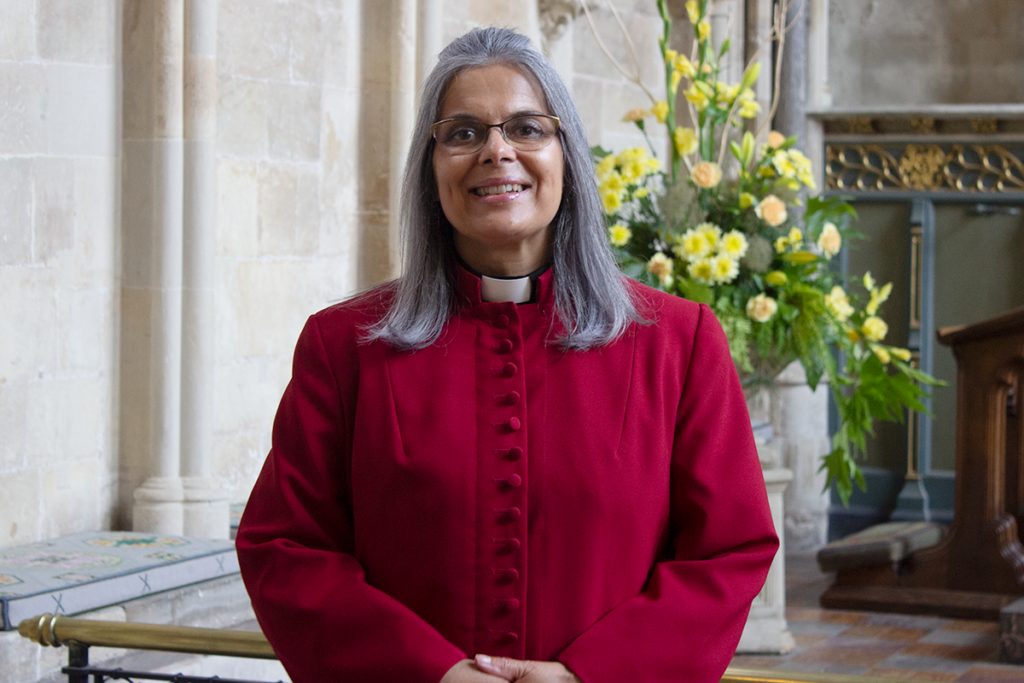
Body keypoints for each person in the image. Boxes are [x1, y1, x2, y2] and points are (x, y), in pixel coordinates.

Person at [236, 26, 778, 683]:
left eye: (527, 128)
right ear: (430, 168)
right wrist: (427, 673)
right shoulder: (343, 345)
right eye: (463, 133)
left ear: (566, 155)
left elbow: (728, 549)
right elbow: (285, 547)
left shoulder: (678, 341)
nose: (497, 151)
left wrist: (589, 674)